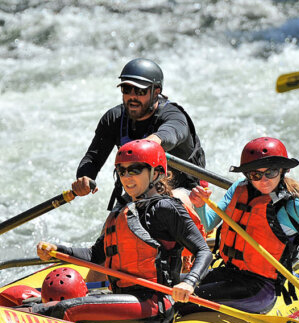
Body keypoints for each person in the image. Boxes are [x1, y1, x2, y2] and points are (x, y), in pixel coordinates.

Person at [37, 139, 212, 323]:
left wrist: (189, 282)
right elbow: (95, 255)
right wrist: (58, 250)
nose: (127, 176)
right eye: (121, 171)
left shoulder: (166, 208)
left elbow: (204, 251)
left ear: (157, 173)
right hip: (125, 298)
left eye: (135, 169)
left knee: (65, 309)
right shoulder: (121, 211)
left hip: (154, 304)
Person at [188, 137, 299, 319]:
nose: (264, 180)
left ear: (282, 171)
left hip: (259, 288)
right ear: (247, 175)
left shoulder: (293, 207)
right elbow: (208, 224)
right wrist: (200, 205)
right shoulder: (238, 188)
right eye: (256, 175)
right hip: (229, 272)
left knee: (184, 299)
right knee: (171, 285)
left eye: (271, 172)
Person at [71, 58, 206, 210]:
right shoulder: (114, 118)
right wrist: (85, 178)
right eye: (127, 89)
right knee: (112, 227)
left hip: (186, 192)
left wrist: (152, 141)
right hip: (137, 192)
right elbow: (93, 158)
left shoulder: (174, 116)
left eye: (140, 91)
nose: (132, 96)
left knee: (163, 208)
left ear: (156, 91)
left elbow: (172, 133)